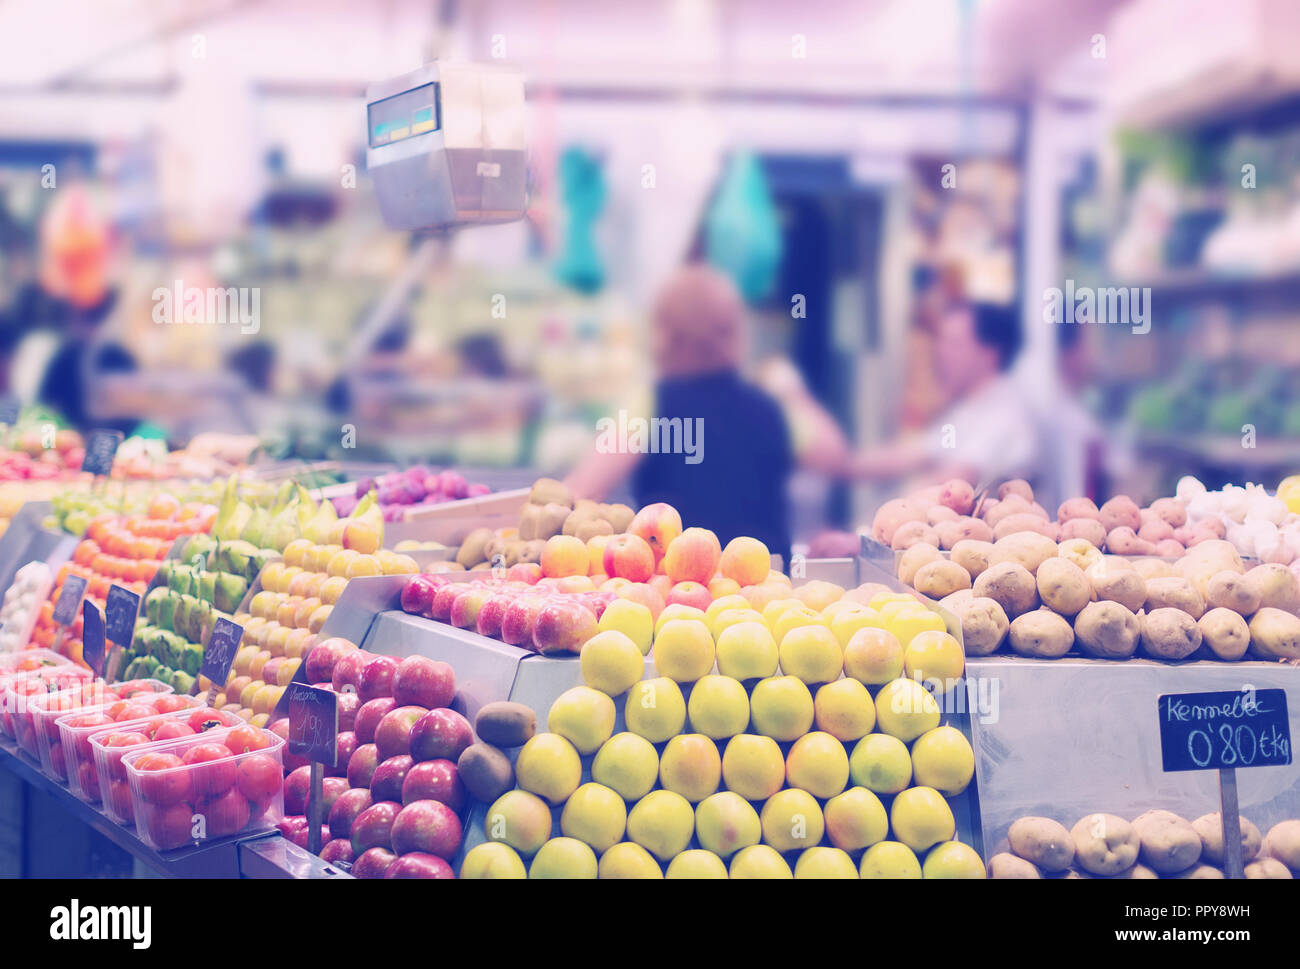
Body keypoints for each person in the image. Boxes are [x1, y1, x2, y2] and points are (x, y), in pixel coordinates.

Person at [566, 265, 844, 567]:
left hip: (678, 594)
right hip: (767, 591)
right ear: (735, 331)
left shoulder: (652, 403)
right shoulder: (771, 404)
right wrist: (794, 391)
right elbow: (836, 456)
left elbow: (581, 491)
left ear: (664, 336)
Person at [848, 299, 1037, 488]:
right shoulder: (967, 409)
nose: (940, 352)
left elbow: (957, 478)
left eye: (954, 343)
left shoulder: (1007, 414)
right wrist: (847, 464)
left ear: (990, 353)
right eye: (941, 341)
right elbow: (914, 453)